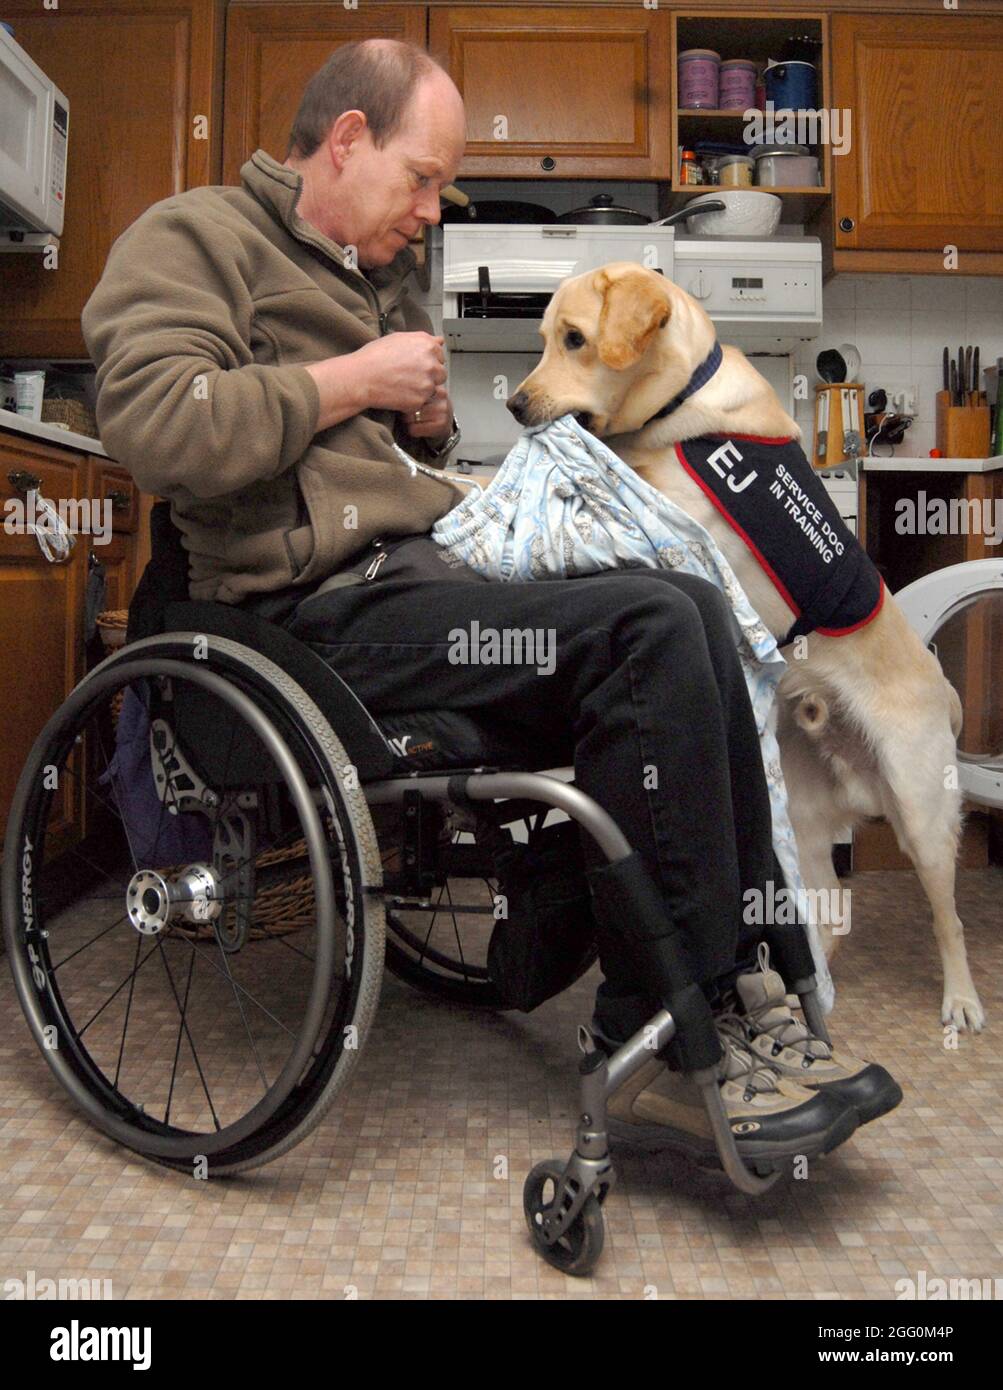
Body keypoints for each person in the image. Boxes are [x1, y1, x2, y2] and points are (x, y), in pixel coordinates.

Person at [82, 38, 900, 1169]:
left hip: (422, 579)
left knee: (689, 602)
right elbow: (159, 422)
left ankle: (743, 984)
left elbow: (369, 462)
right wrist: (353, 385)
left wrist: (416, 433)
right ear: (349, 138)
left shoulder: (372, 280)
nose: (430, 210)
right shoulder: (197, 236)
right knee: (649, 627)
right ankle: (664, 1030)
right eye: (419, 179)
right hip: (308, 620)